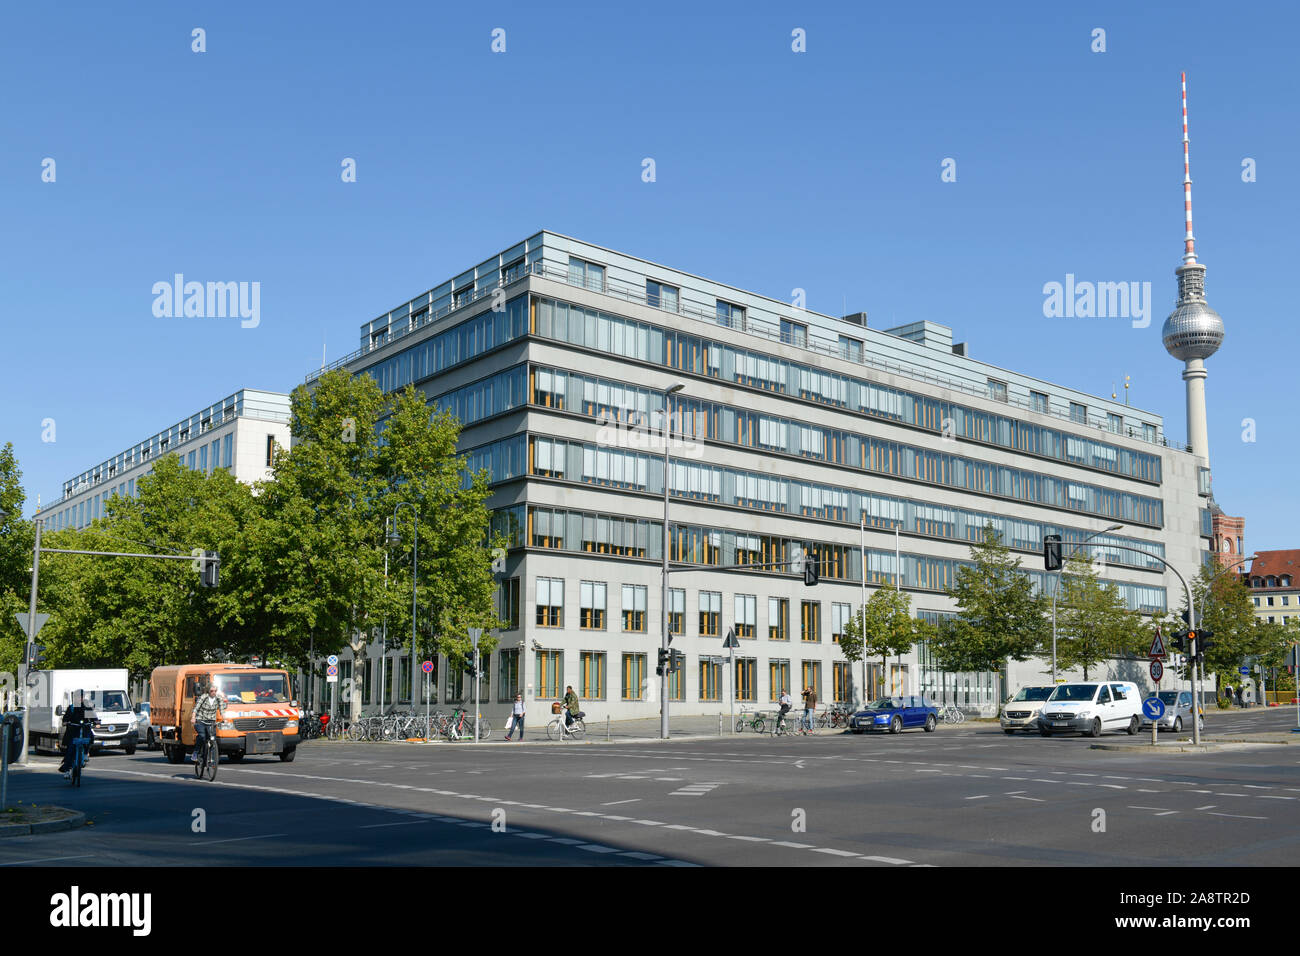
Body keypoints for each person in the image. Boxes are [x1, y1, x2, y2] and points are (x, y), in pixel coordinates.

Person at [57, 691, 96, 775]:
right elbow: (66, 718)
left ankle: (85, 753)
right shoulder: (72, 708)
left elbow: (93, 717)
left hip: (84, 729)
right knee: (70, 749)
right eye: (77, 697)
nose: (79, 699)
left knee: (89, 737)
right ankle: (67, 770)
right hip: (73, 731)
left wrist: (96, 722)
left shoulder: (86, 707)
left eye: (81, 697)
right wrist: (65, 722)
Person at [190, 680, 225, 762]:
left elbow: (222, 708)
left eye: (215, 691)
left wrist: (224, 718)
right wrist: (193, 717)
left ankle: (211, 757)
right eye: (212, 691)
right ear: (208, 691)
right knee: (202, 736)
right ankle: (195, 752)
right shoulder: (203, 697)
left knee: (212, 738)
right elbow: (196, 708)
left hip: (211, 721)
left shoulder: (218, 698)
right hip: (201, 720)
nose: (214, 692)